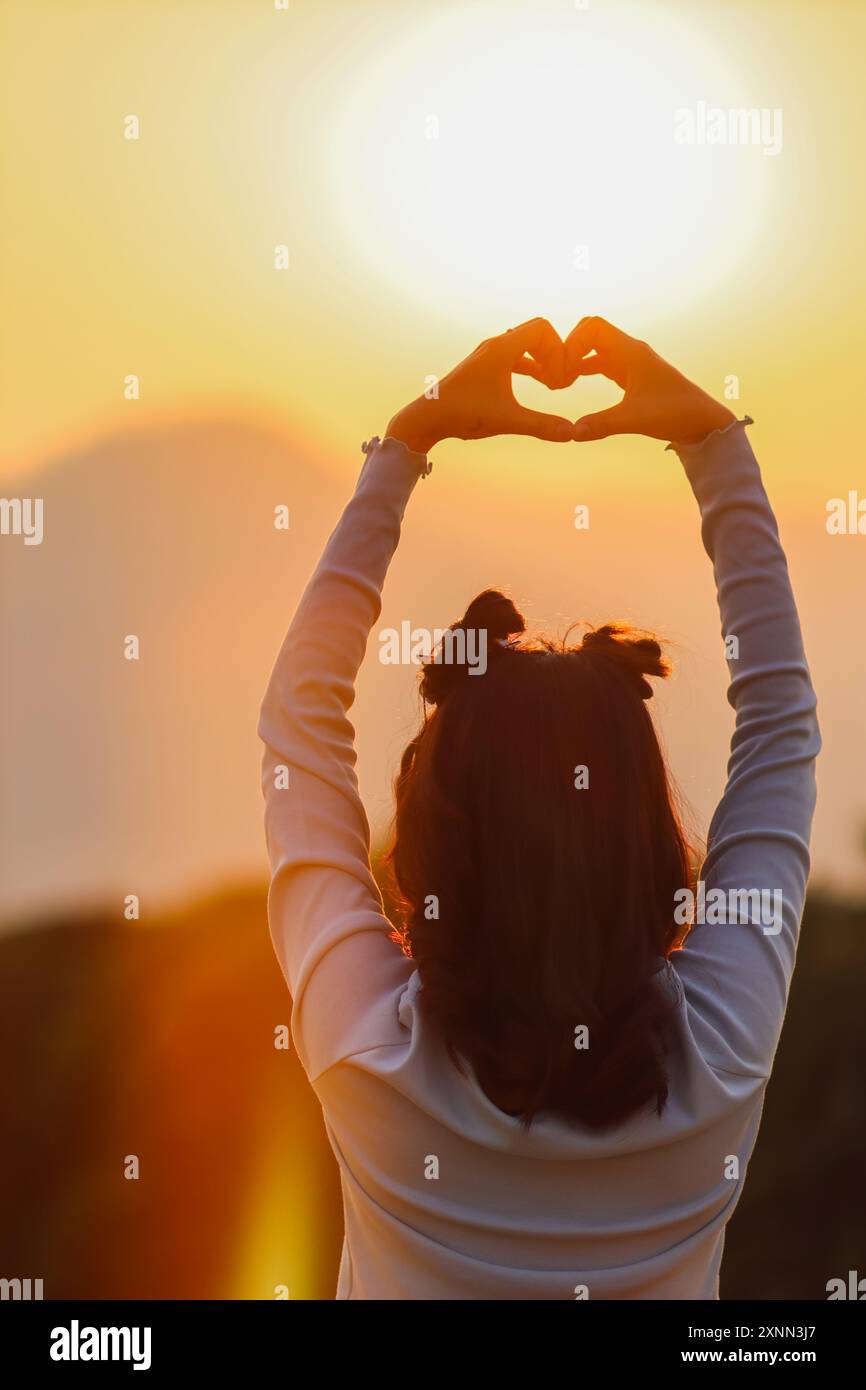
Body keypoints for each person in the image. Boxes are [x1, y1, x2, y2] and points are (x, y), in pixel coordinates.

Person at [257, 316, 820, 1299]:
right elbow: (778, 729)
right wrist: (712, 444)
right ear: (646, 835)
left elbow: (297, 728)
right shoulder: (719, 1050)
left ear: (433, 840)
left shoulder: (365, 1049)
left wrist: (406, 444)